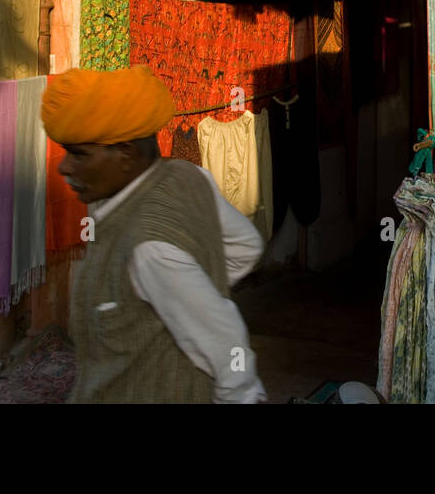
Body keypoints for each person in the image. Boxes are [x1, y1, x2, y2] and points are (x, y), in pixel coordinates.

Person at [40, 65, 266, 403]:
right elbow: (246, 246)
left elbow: (229, 354)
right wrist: (184, 302)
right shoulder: (190, 176)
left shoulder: (149, 250)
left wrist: (188, 300)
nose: (64, 167)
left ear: (126, 155)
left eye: (79, 154)